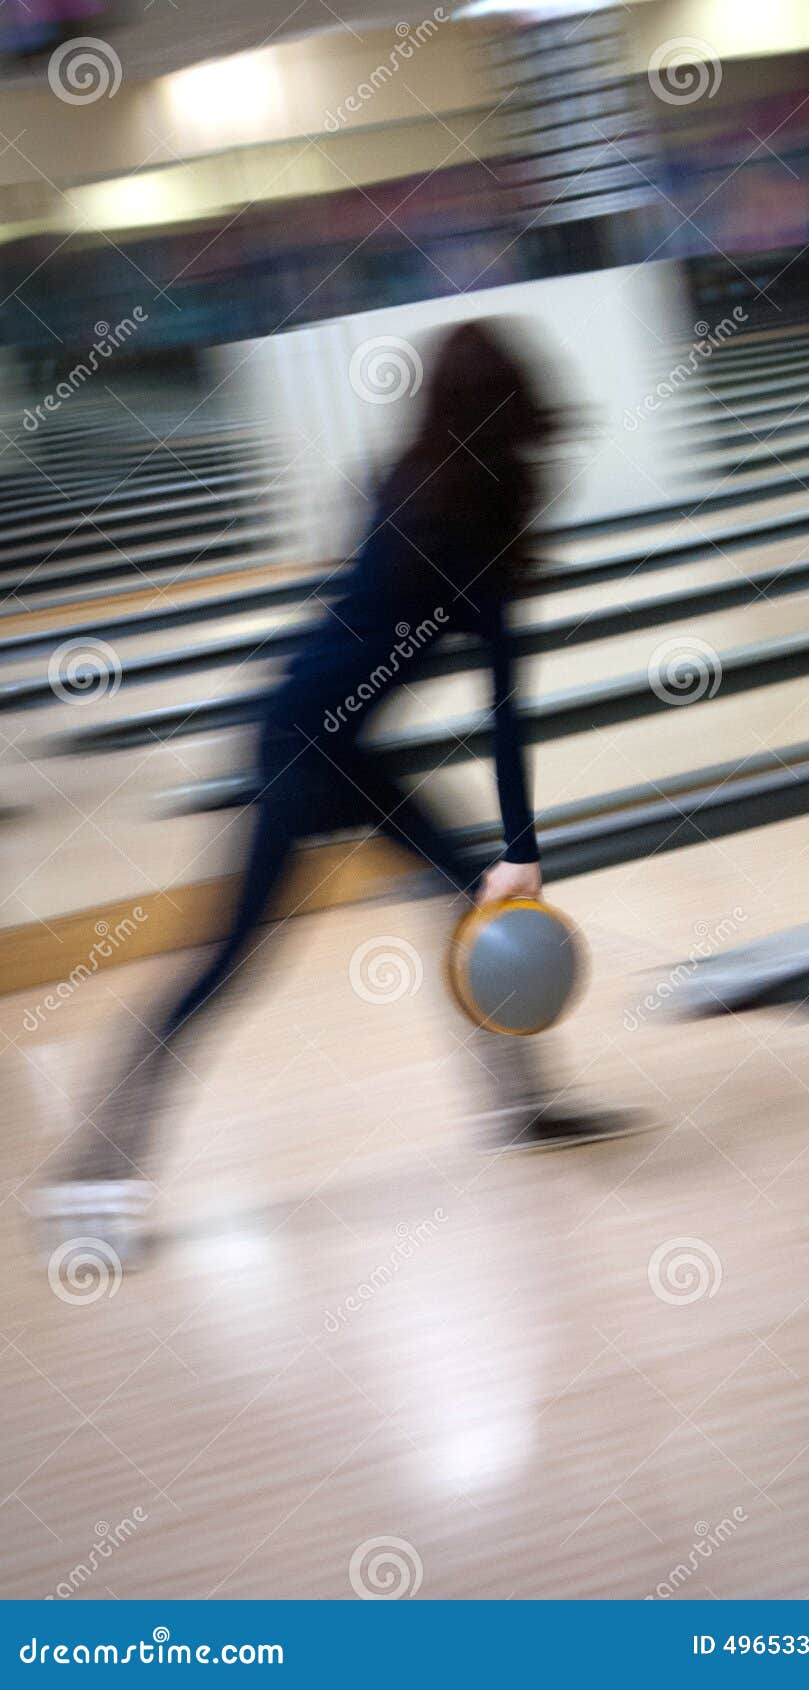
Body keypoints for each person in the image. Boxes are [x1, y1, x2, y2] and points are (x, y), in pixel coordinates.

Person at [34, 317, 639, 1263]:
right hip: (302, 752)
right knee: (229, 967)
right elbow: (505, 703)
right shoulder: (459, 523)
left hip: (326, 736)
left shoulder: (408, 483)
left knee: (458, 899)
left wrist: (508, 858)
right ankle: (88, 1178)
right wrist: (522, 852)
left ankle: (526, 1108)